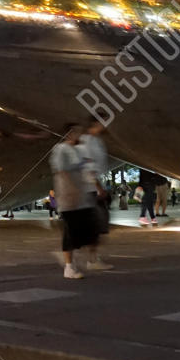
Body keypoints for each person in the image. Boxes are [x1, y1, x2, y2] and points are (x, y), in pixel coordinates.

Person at [50, 124, 99, 279]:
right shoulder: (60, 150)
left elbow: (85, 169)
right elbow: (61, 171)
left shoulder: (78, 150)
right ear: (70, 134)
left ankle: (78, 262)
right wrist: (74, 189)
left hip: (81, 198)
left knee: (83, 230)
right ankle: (69, 267)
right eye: (77, 132)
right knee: (70, 232)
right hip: (68, 197)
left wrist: (91, 186)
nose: (80, 135)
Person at [79, 119, 113, 268]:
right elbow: (88, 167)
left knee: (98, 224)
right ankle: (92, 259)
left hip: (93, 188)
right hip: (90, 189)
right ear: (97, 124)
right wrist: (99, 187)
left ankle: (92, 257)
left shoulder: (97, 141)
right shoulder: (86, 142)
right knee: (97, 224)